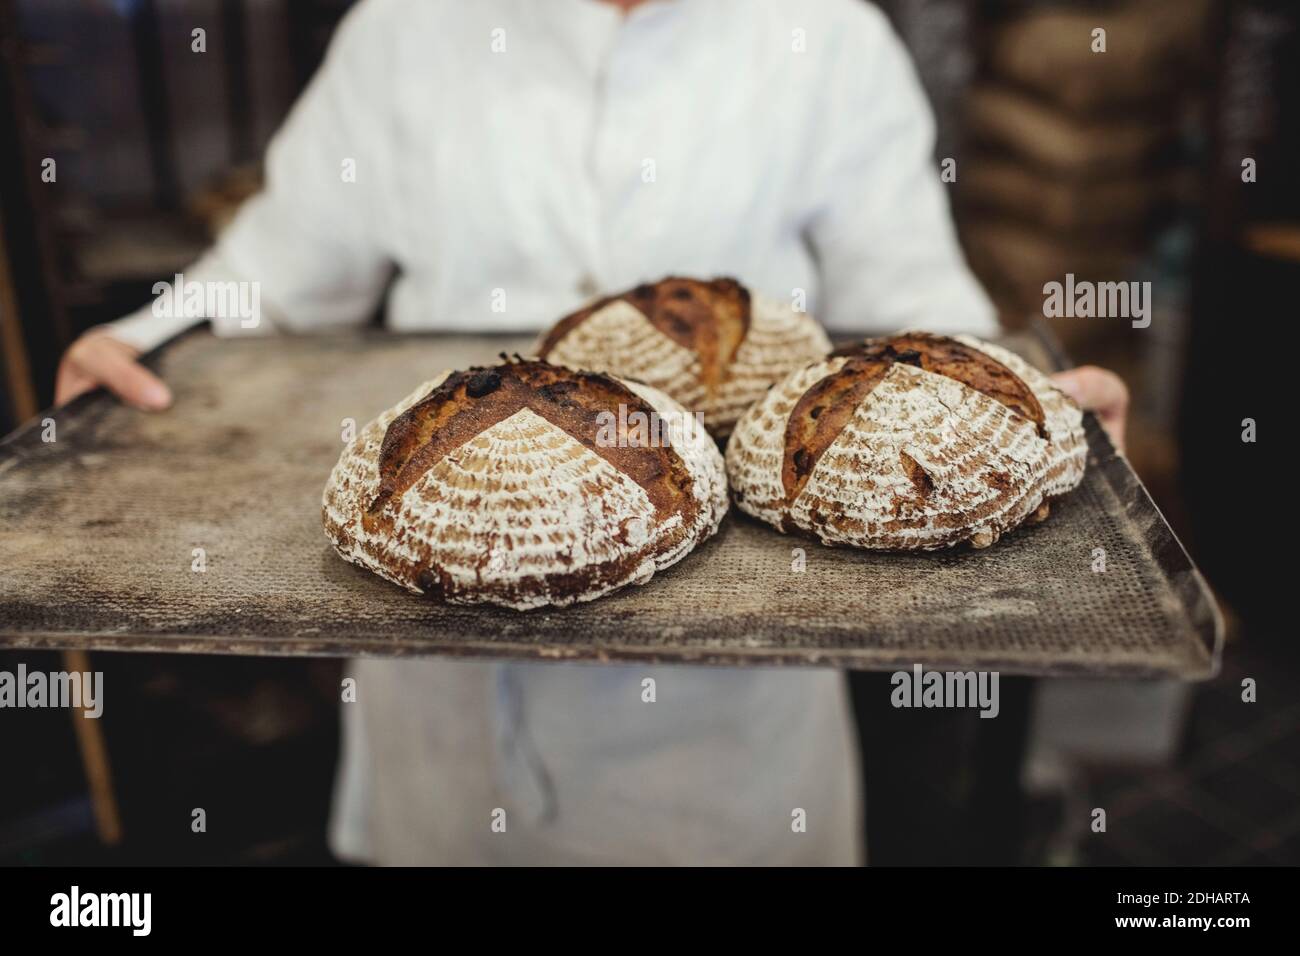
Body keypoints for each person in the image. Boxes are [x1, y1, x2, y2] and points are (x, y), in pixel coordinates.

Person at [55, 0, 1127, 865]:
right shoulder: (404, 29)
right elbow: (270, 278)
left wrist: (1023, 401)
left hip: (727, 729)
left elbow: (914, 306)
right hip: (439, 684)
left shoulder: (826, 34)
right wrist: (150, 341)